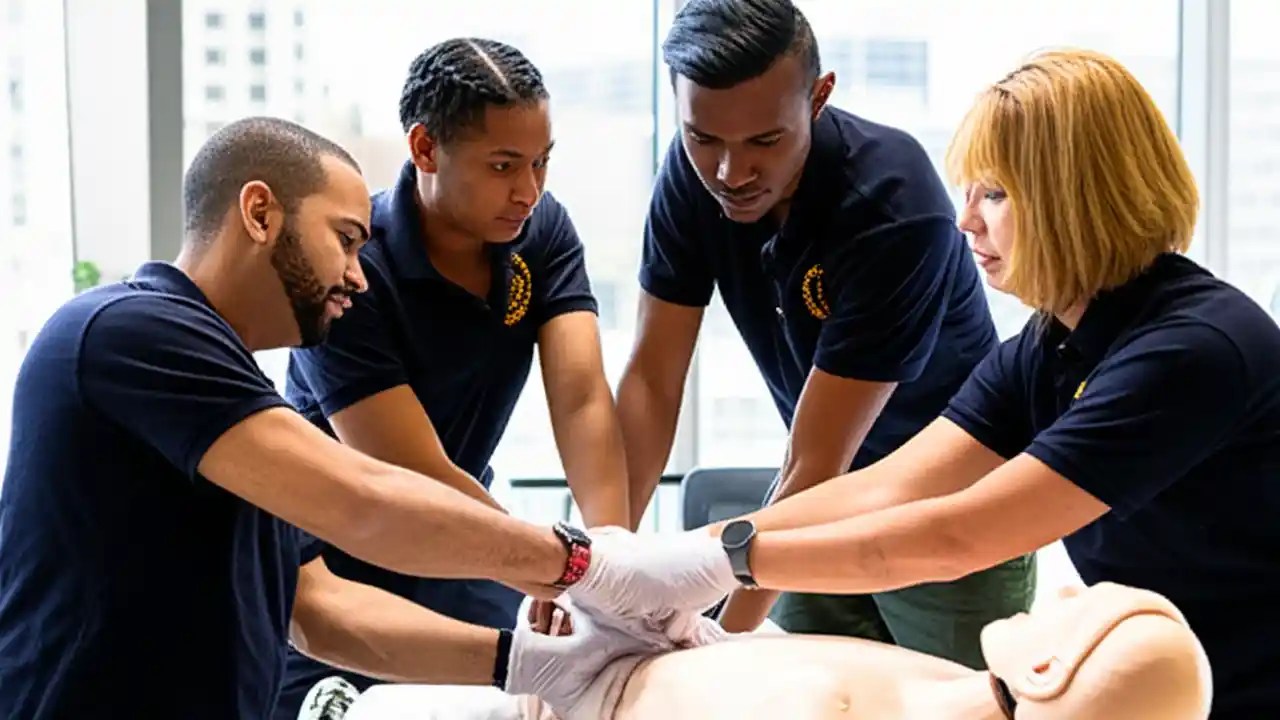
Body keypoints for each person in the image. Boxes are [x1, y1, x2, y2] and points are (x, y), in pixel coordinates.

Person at [586, 47, 1280, 719]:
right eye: (970, 189)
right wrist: (686, 555)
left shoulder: (1192, 350)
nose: (966, 218)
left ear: (1079, 199)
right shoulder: (1049, 348)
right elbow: (883, 486)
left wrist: (719, 564)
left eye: (998, 194)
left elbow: (957, 538)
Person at [0, 117, 688, 719]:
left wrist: (530, 663)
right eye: (347, 240)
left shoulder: (233, 397)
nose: (359, 276)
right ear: (260, 213)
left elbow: (325, 613)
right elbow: (366, 500)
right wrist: (583, 565)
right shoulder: (128, 329)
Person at [614, 0, 1033, 666]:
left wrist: (714, 637)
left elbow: (818, 462)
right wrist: (601, 560)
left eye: (764, 142)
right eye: (704, 139)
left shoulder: (893, 206)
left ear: (819, 97)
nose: (731, 172)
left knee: (955, 701)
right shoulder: (693, 180)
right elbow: (651, 381)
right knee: (802, 692)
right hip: (819, 502)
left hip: (947, 510)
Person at [275, 38, 632, 716]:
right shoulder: (354, 265)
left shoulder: (542, 232)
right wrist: (563, 569)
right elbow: (405, 468)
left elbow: (583, 398)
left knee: (572, 683)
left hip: (465, 545)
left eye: (541, 163)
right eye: (503, 166)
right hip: (336, 566)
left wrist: (613, 561)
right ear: (425, 149)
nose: (528, 190)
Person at [303, 582, 1213, 720]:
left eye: (1084, 603)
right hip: (615, 668)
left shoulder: (838, 706)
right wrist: (689, 634)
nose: (1063, 588)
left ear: (1048, 671)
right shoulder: (954, 685)